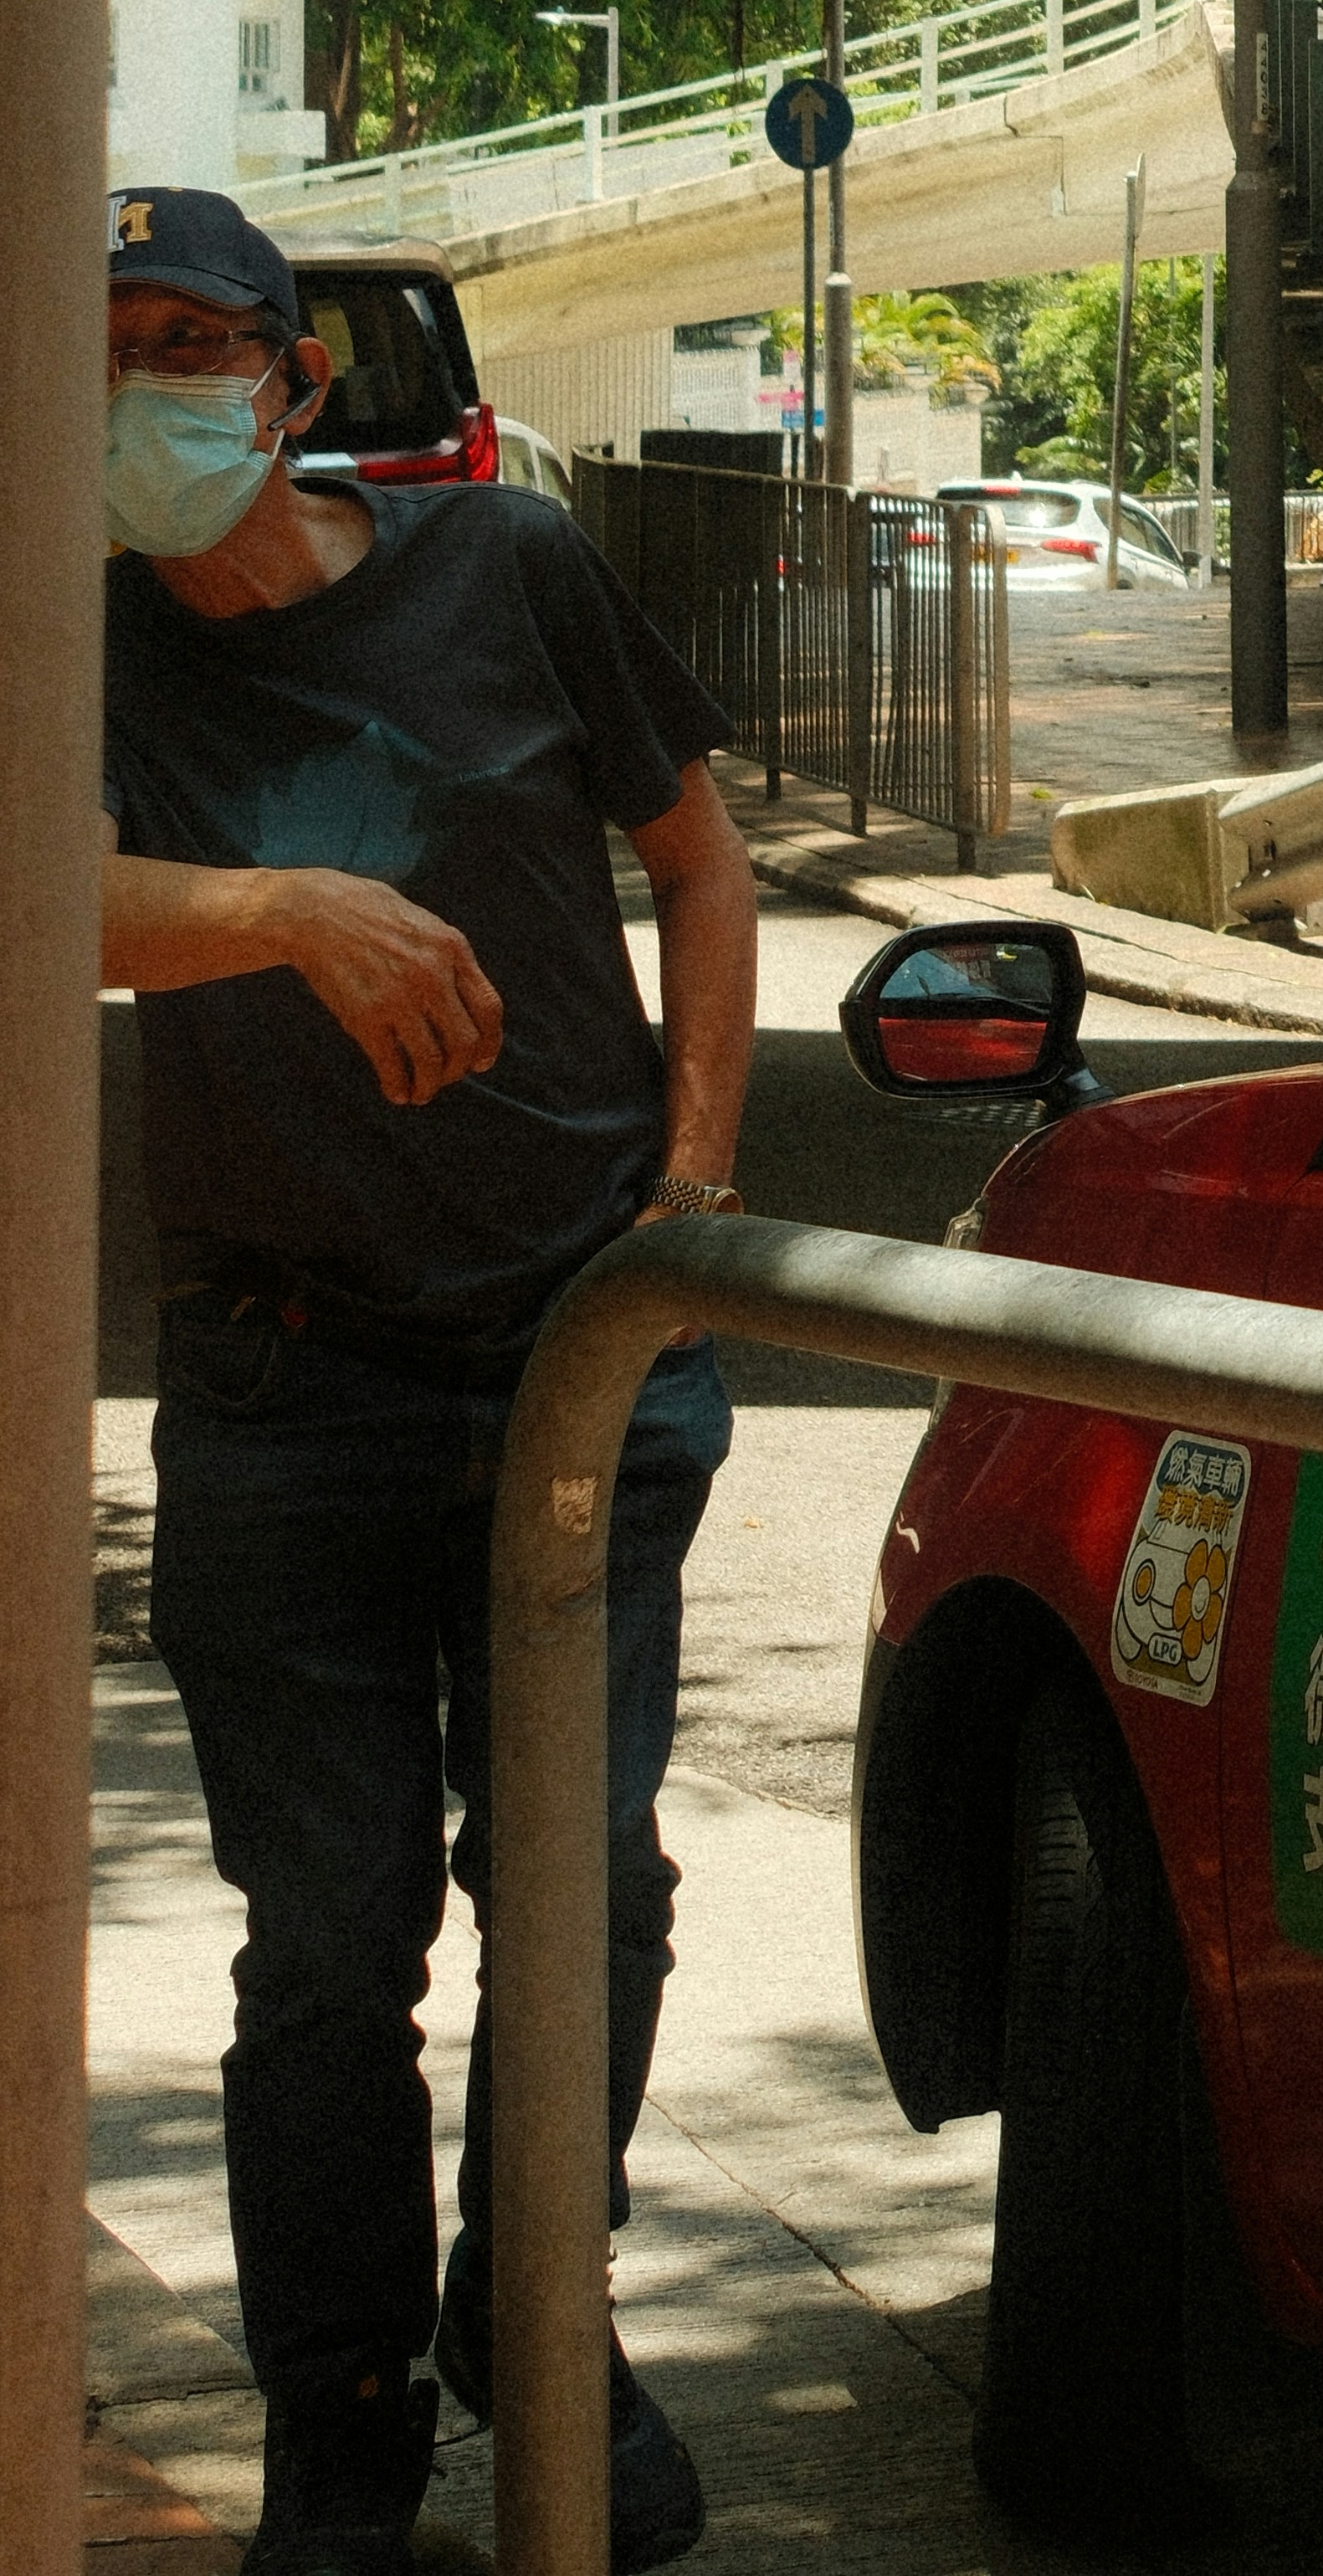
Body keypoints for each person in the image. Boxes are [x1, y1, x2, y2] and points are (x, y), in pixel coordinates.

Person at [98, 192, 760, 2576]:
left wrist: (689, 1205)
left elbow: (696, 860)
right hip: (288, 1385)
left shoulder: (509, 562)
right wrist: (281, 908)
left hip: (585, 1356)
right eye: (94, 353)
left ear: (289, 382)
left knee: (589, 1894)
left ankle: (537, 2320)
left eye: (188, 345)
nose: (142, 393)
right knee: (330, 1945)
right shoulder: (62, 634)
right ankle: (342, 2434)